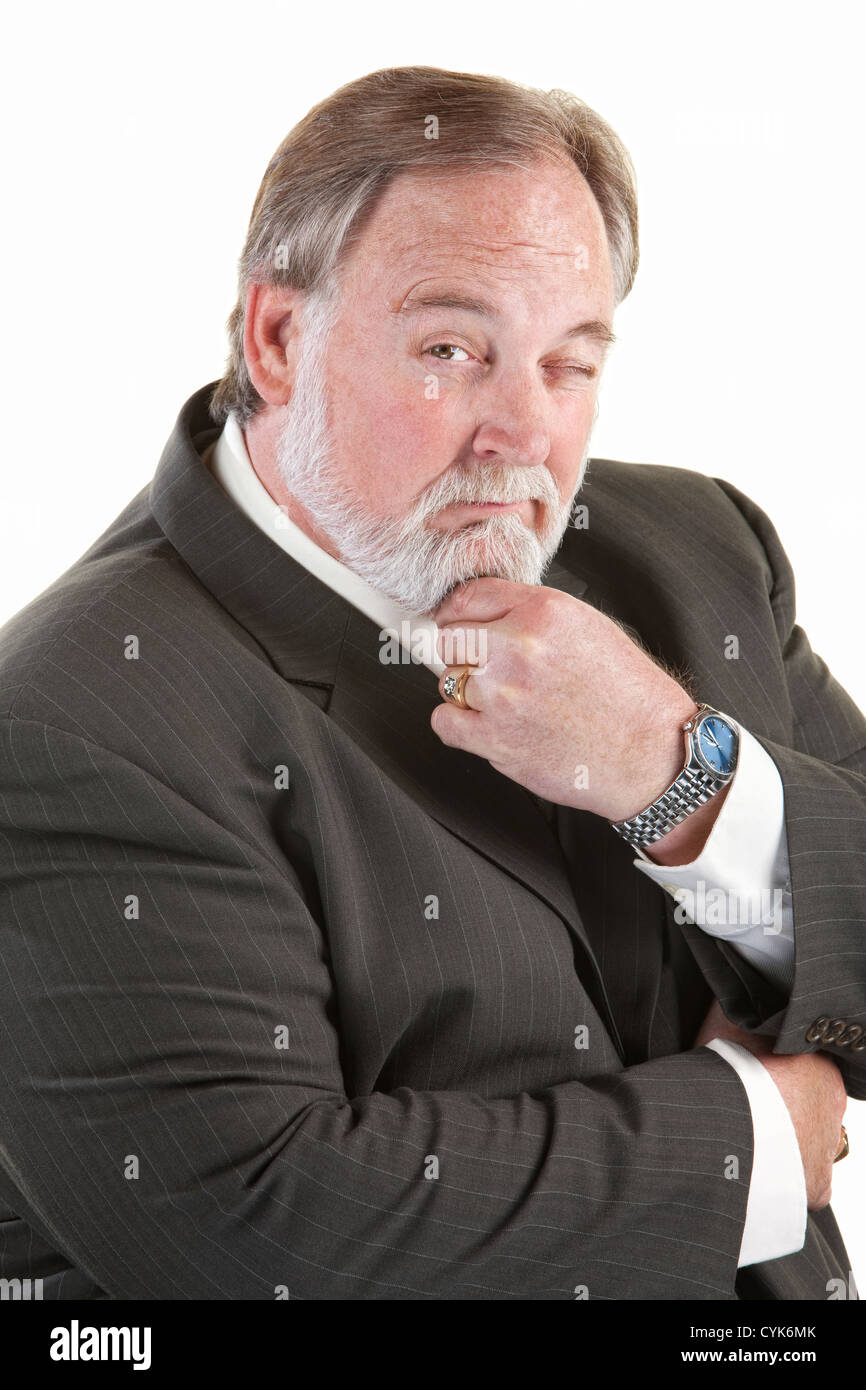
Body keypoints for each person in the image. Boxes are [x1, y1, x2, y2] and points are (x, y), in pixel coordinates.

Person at [0, 65, 861, 1301]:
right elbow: (254, 1231)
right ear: (280, 337)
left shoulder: (698, 552)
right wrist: (752, 1135)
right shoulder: (72, 718)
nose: (521, 432)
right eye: (451, 349)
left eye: (568, 363)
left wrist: (677, 772)